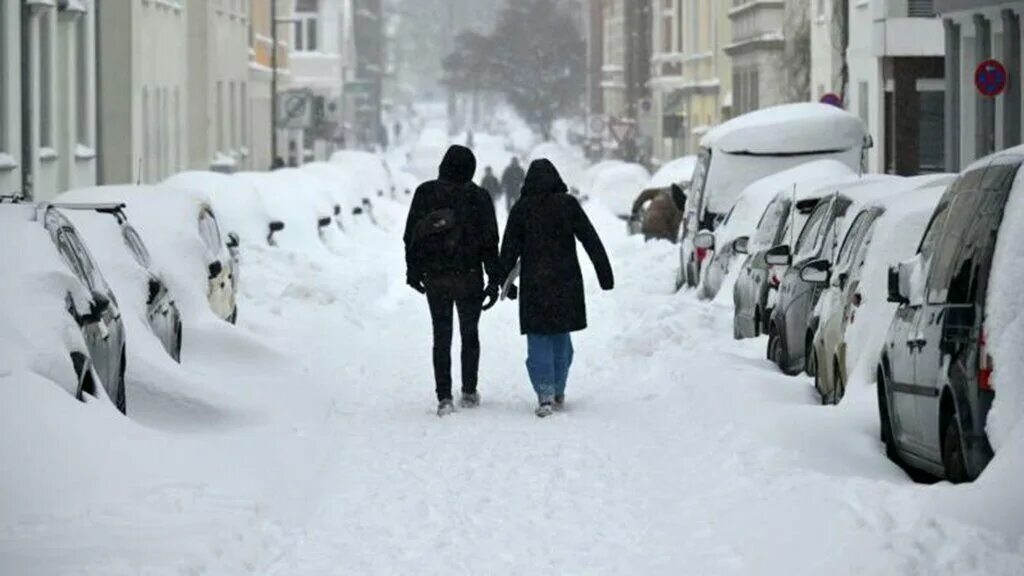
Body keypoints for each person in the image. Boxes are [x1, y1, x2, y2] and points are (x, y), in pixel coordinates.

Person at [500, 159, 614, 418]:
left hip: (535, 284)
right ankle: (559, 388)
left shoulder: (522, 208)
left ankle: (545, 393)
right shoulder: (568, 205)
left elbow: (509, 248)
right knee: (561, 339)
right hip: (565, 282)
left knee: (538, 338)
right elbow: (590, 239)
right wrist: (605, 275)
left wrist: (501, 280)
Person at [404, 145, 502, 417]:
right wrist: (494, 280)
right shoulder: (479, 197)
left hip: (436, 276)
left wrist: (413, 271)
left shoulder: (425, 193)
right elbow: (490, 241)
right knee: (470, 334)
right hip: (469, 276)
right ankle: (469, 390)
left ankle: (444, 396)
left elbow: (411, 235)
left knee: (441, 335)